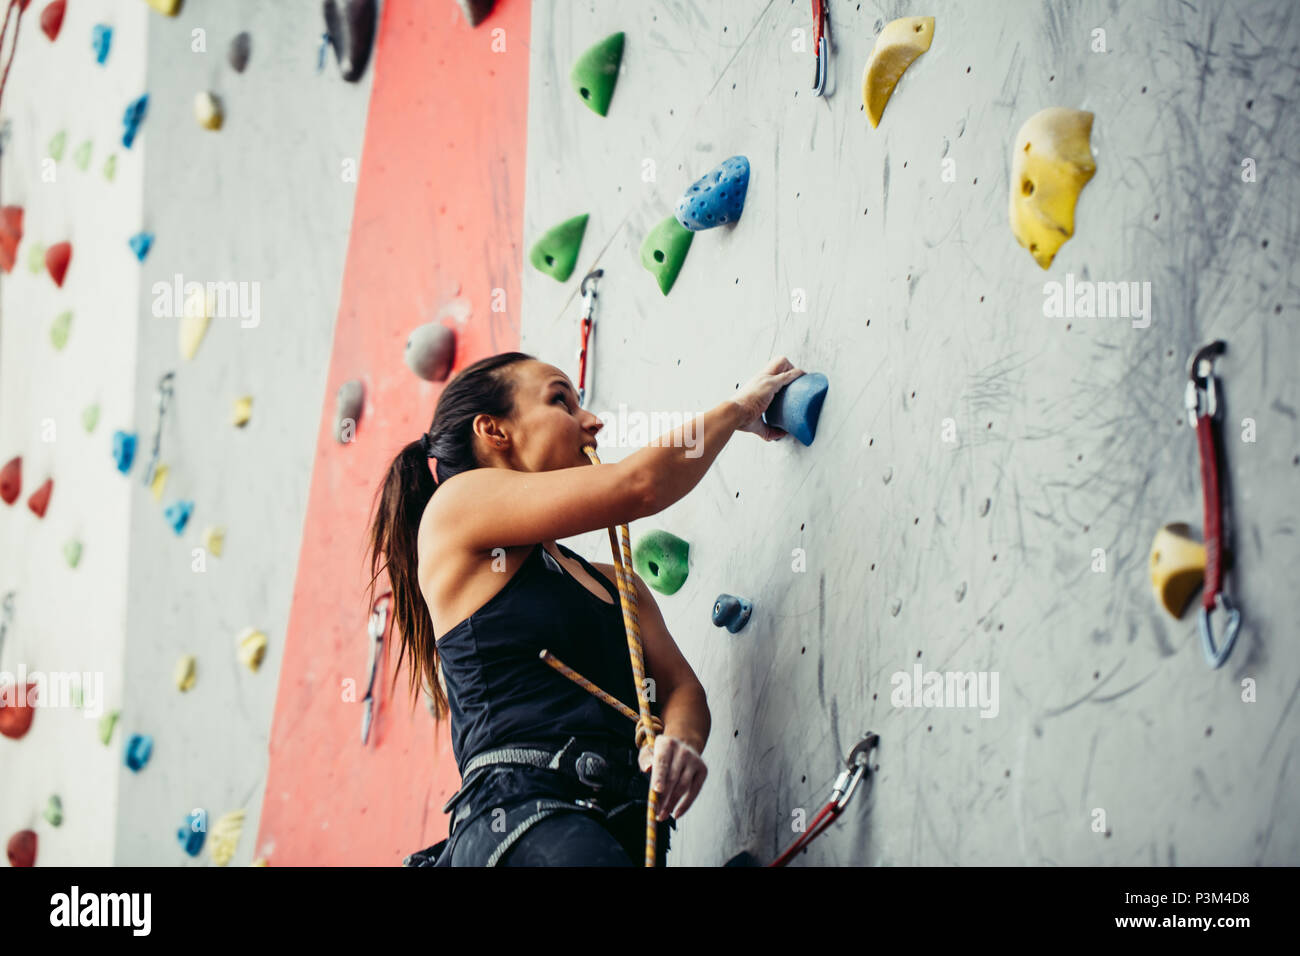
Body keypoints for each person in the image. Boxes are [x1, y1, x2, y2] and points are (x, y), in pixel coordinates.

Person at [368, 351, 806, 866]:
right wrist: (737, 410)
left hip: (616, 831)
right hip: (521, 822)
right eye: (561, 401)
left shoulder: (619, 584)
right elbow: (636, 485)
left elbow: (683, 690)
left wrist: (679, 745)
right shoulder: (454, 510)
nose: (592, 421)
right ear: (494, 430)